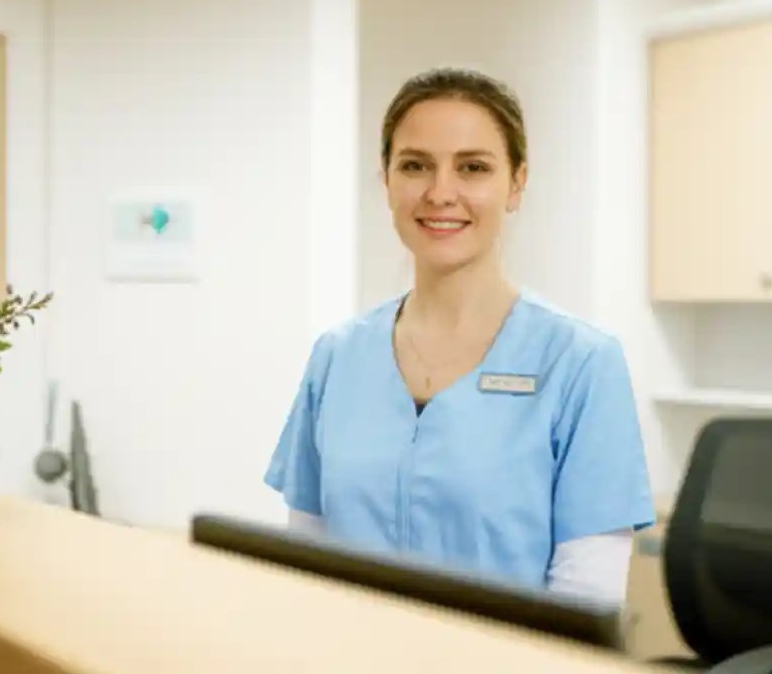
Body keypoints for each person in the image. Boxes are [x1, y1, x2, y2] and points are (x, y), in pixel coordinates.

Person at [263, 66, 655, 606]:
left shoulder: (579, 363)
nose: (441, 193)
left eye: (472, 167)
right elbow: (305, 564)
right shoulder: (337, 357)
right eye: (415, 166)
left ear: (516, 184)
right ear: (386, 180)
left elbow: (586, 603)